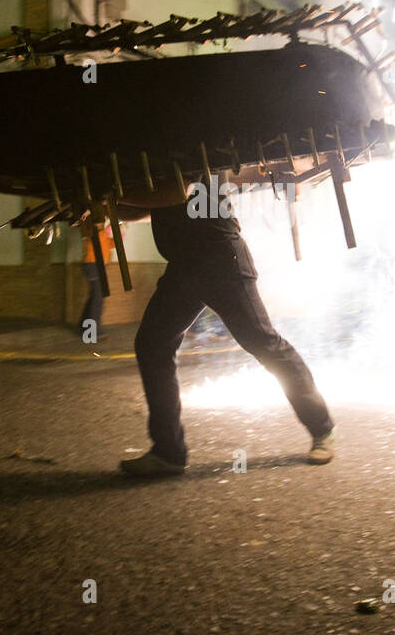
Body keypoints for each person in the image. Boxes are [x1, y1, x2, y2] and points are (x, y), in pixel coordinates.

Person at [115, 173, 336, 476]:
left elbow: (176, 192)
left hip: (221, 259)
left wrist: (110, 198)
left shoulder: (187, 148)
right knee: (152, 344)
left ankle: (322, 429)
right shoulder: (151, 165)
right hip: (184, 265)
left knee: (263, 343)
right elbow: (149, 207)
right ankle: (168, 453)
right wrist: (105, 208)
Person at [79, 220, 116, 341]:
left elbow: (111, 244)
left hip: (96, 266)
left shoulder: (100, 233)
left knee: (94, 297)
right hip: (93, 265)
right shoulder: (95, 232)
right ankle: (91, 333)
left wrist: (120, 231)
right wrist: (112, 229)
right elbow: (103, 240)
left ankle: (84, 327)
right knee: (97, 298)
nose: (104, 221)